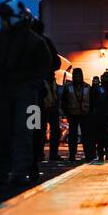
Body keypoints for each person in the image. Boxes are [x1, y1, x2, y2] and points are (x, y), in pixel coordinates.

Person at [0, 0, 52, 186]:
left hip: (26, 92)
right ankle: (5, 171)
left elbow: (46, 65)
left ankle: (19, 171)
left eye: (5, 18)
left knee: (25, 131)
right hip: (5, 92)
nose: (2, 22)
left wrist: (32, 82)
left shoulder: (34, 41)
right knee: (2, 132)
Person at [31, 20, 62, 163]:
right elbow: (57, 63)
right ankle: (53, 153)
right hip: (49, 88)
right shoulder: (46, 41)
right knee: (54, 124)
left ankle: (36, 153)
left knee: (35, 124)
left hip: (33, 89)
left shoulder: (28, 42)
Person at [60, 67, 91, 161]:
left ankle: (88, 154)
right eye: (76, 75)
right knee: (73, 136)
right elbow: (64, 100)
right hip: (72, 114)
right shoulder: (68, 87)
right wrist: (65, 112)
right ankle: (72, 155)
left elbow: (91, 100)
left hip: (84, 114)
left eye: (79, 75)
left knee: (86, 136)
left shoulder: (87, 86)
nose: (77, 77)